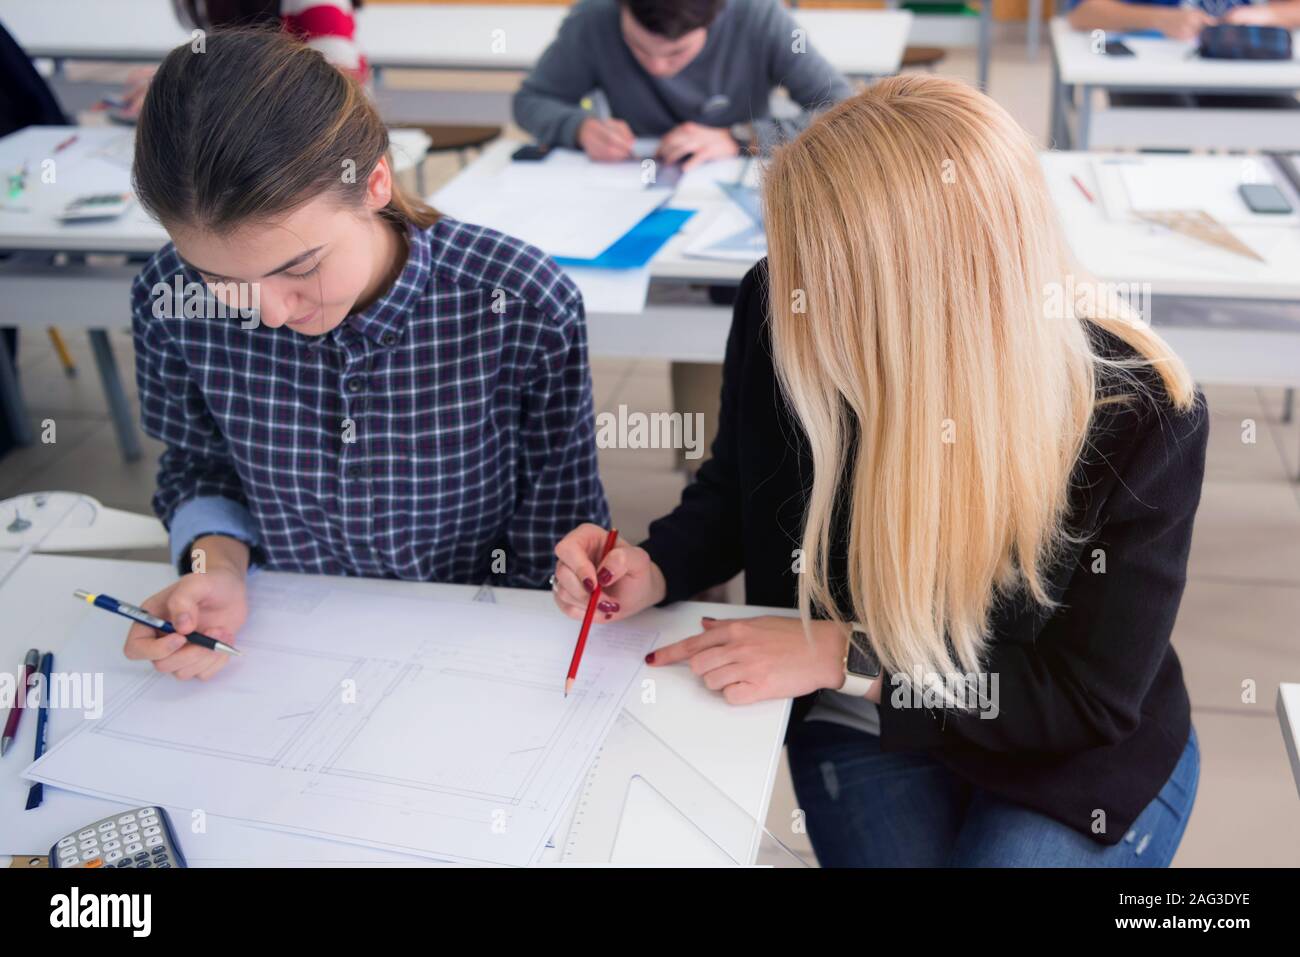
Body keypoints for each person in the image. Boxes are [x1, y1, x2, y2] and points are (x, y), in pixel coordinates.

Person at [550, 75, 1209, 866]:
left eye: (818, 275)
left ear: (926, 298)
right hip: (864, 720)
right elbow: (737, 488)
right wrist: (654, 566)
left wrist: (843, 653)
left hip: (1059, 749)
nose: (786, 293)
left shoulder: (1139, 412)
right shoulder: (786, 303)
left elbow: (1081, 700)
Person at [125, 29, 608, 682]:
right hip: (283, 641)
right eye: (221, 280)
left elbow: (558, 530)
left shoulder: (519, 302)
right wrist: (218, 569)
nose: (268, 313)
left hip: (476, 650)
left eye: (300, 267)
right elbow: (198, 465)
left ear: (375, 181)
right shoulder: (167, 296)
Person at [512, 0, 852, 169]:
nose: (658, 68)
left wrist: (741, 138)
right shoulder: (593, 19)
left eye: (677, 53)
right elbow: (531, 100)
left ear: (717, 16)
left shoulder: (760, 17)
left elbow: (844, 112)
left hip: (737, 179)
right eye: (640, 49)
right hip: (632, 180)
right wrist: (578, 128)